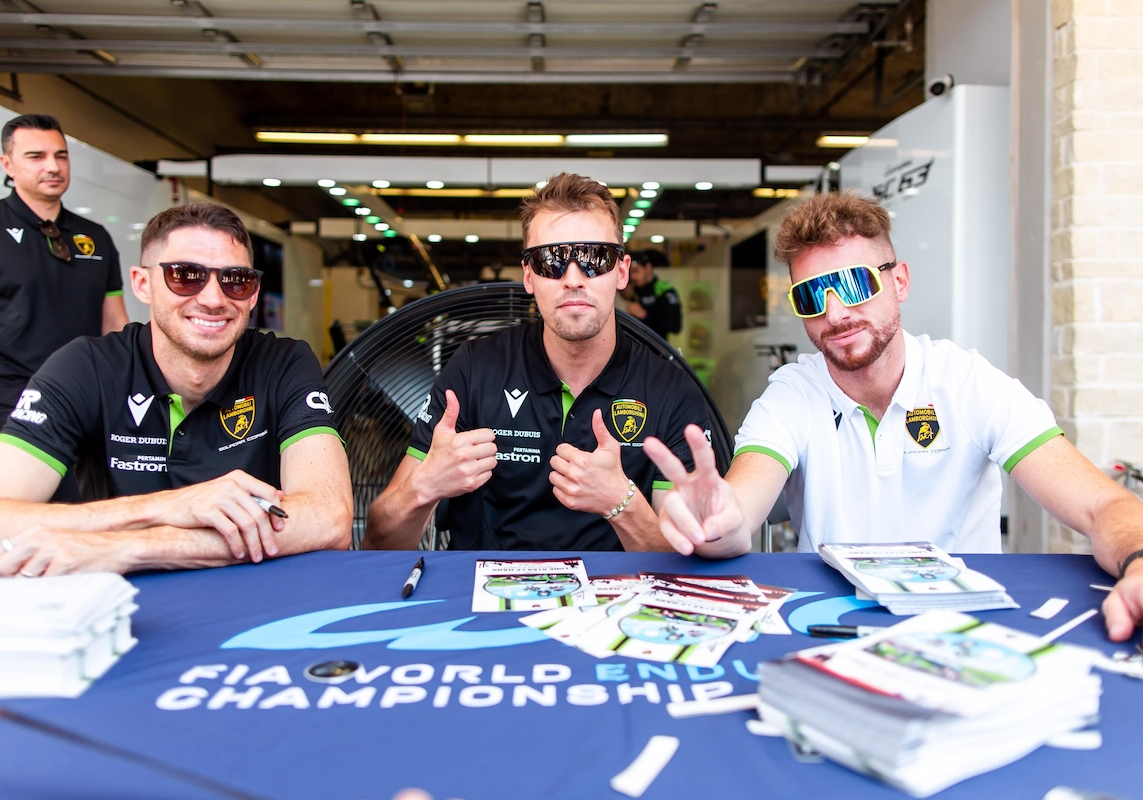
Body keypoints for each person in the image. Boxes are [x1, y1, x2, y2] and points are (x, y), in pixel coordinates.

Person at [643, 191, 1143, 642]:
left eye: (854, 284)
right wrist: (718, 525)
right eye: (812, 295)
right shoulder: (792, 395)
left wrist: (1139, 562)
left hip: (962, 630)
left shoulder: (968, 383)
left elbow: (1103, 506)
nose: (835, 313)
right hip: (831, 629)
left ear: (899, 280)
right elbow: (740, 510)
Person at [0, 202, 353, 576]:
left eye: (236, 281)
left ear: (253, 295)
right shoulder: (86, 367)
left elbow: (329, 517)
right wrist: (169, 506)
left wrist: (138, 546)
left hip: (249, 598)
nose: (213, 298)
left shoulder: (282, 362)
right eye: (185, 277)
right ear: (142, 284)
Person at [366, 173, 713, 551]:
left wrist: (621, 502)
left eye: (595, 258)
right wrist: (424, 486)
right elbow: (378, 544)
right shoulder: (473, 370)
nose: (574, 278)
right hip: (482, 598)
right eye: (552, 260)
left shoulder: (672, 392)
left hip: (614, 603)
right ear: (528, 276)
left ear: (622, 271)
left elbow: (685, 565)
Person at [0, 114, 129, 469]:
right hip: (4, 405)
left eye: (61, 156)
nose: (53, 166)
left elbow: (116, 327)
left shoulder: (96, 237)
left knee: (83, 516)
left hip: (84, 402)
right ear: (7, 164)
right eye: (36, 156)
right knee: (14, 519)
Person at [623, 252, 682, 340]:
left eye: (636, 271)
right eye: (631, 272)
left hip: (656, 349)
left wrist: (644, 315)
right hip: (635, 347)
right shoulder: (633, 289)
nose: (633, 276)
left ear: (648, 267)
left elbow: (675, 326)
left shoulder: (665, 290)